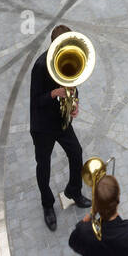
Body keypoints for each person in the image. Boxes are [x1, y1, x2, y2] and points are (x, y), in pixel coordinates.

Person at [30, 24, 91, 230]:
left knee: (76, 153)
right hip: (42, 125)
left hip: (61, 119)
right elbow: (36, 101)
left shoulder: (70, 58)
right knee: (43, 165)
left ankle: (74, 191)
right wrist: (55, 93)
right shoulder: (40, 67)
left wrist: (75, 103)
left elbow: (73, 85)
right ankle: (47, 205)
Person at [67, 176, 128, 256]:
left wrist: (91, 214)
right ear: (118, 199)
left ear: (96, 204)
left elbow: (73, 241)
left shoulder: (84, 232)